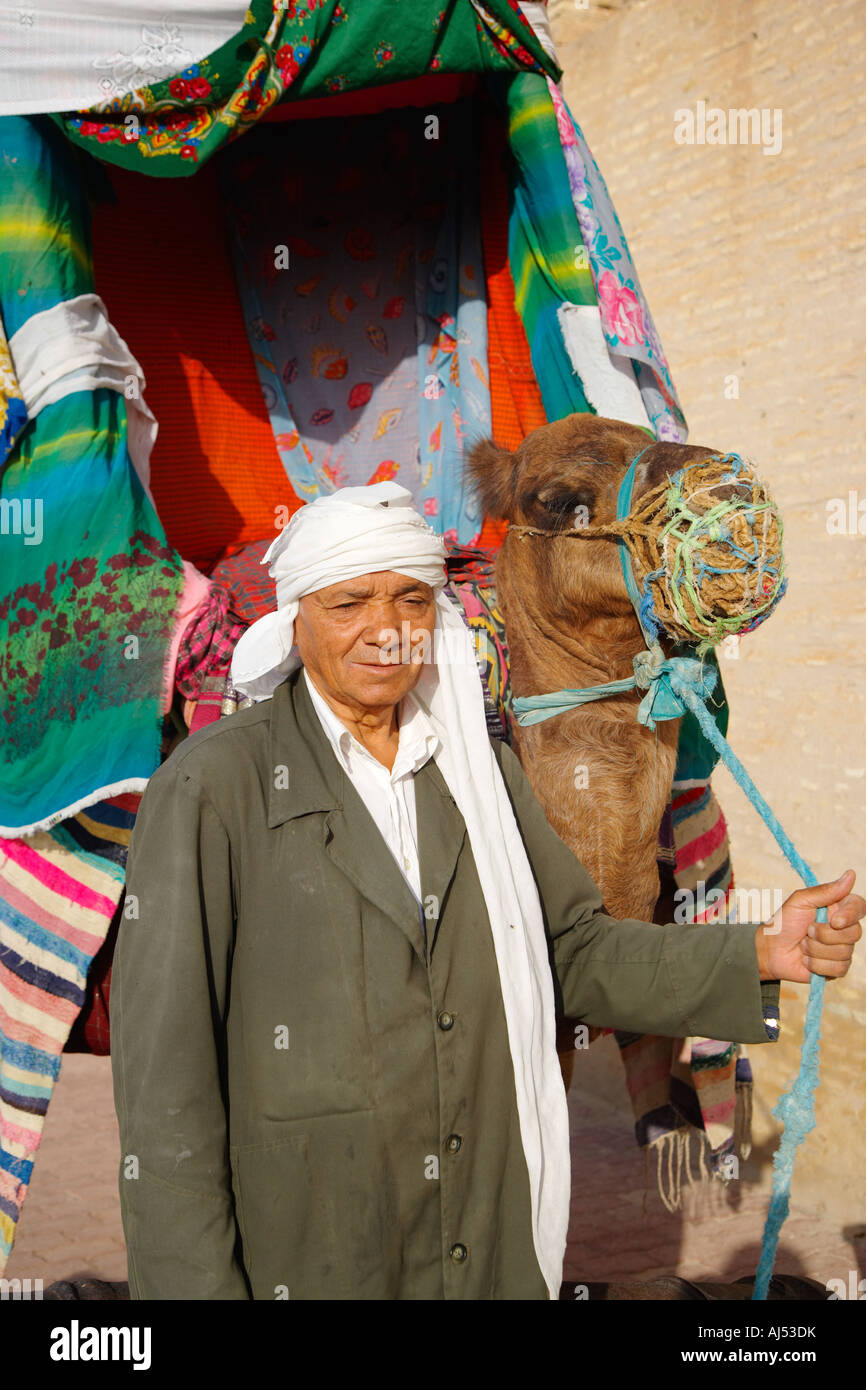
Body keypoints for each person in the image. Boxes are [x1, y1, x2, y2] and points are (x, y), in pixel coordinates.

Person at [111, 481, 863, 1300]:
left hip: (482, 1232)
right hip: (314, 1246)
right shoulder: (217, 785)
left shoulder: (477, 769)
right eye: (348, 603)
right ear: (296, 620)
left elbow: (573, 949)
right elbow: (166, 1087)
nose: (385, 631)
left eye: (409, 600)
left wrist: (760, 950)